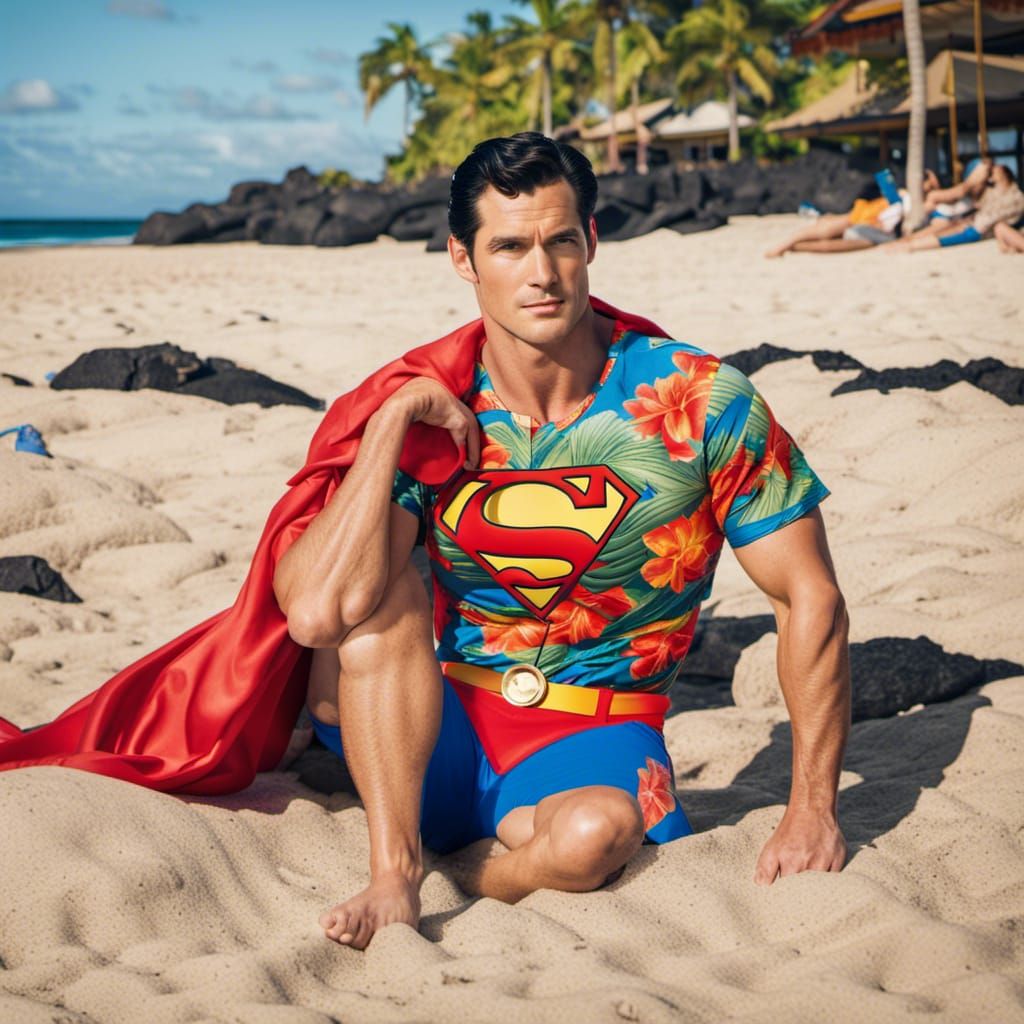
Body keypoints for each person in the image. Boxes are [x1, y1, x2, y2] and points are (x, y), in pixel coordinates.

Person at [270, 133, 851, 949]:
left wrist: (811, 810)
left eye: (560, 242)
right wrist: (390, 425)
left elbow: (809, 596)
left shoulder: (701, 401)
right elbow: (316, 614)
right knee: (380, 585)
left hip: (594, 733)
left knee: (595, 837)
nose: (540, 273)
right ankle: (394, 873)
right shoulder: (438, 406)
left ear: (591, 244)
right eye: (509, 246)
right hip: (427, 725)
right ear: (463, 260)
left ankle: (473, 871)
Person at [764, 178, 910, 258]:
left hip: (876, 232)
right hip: (872, 228)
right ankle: (787, 246)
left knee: (830, 240)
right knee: (832, 233)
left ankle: (791, 247)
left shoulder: (904, 198)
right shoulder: (900, 197)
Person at [893, 164, 1024, 253]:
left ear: (1005, 174)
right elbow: (965, 194)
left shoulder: (1015, 195)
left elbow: (990, 217)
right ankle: (903, 245)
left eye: (995, 170)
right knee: (938, 234)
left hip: (976, 227)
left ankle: (905, 246)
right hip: (970, 223)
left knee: (942, 237)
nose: (992, 172)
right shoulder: (991, 192)